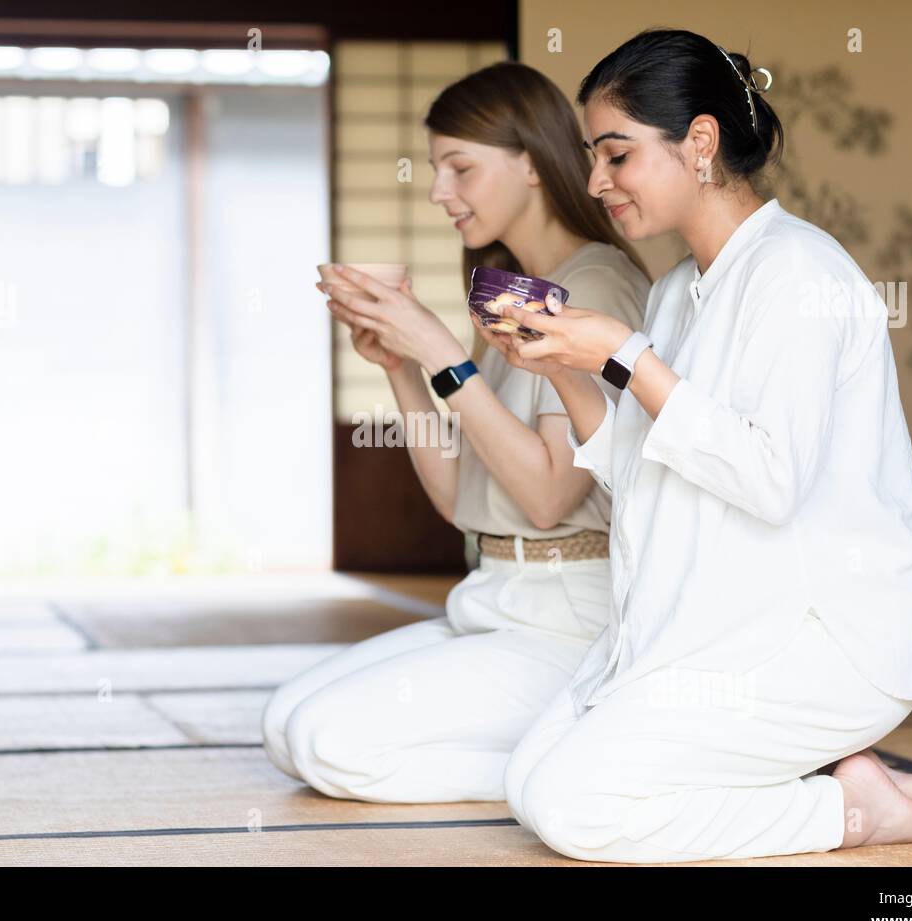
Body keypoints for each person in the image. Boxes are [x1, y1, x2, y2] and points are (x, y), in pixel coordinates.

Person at [480, 28, 912, 862]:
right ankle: (834, 776)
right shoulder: (681, 290)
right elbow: (641, 470)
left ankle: (854, 812)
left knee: (575, 806)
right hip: (708, 624)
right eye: (592, 158)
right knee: (530, 784)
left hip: (818, 633)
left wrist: (621, 352)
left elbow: (767, 477)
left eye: (617, 155)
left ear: (701, 143)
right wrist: (563, 365)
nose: (597, 183)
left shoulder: (800, 275)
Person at [260, 61, 651, 803]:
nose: (441, 191)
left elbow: (546, 497)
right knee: (284, 726)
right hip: (496, 598)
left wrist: (438, 346)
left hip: (569, 618)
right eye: (437, 169)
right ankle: (557, 758)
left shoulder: (594, 287)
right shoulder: (511, 287)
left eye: (460, 168)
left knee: (328, 743)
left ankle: (569, 770)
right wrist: (402, 367)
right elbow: (459, 500)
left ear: (532, 164)